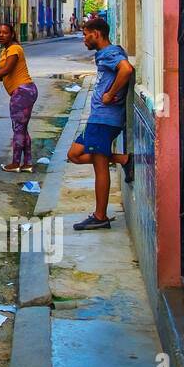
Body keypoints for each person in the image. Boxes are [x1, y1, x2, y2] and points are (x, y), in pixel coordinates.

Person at [67, 16, 134, 230]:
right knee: (74, 154)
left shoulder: (111, 52)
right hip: (98, 118)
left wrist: (110, 94)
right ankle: (123, 159)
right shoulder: (104, 55)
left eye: (86, 35)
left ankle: (100, 216)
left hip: (105, 118)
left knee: (100, 165)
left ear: (96, 33)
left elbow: (126, 69)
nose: (84, 40)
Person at [0, 22, 38, 172]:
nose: (1, 35)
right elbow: (5, 75)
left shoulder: (14, 49)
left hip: (22, 92)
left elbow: (7, 69)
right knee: (22, 129)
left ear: (12, 34)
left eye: (5, 32)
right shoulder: (6, 50)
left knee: (18, 129)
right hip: (25, 91)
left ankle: (15, 164)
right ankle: (27, 164)